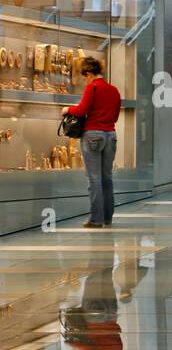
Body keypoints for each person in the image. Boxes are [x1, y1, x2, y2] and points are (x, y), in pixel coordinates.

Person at [64, 57, 121, 228]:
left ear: (88, 74)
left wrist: (67, 110)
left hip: (93, 135)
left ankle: (96, 219)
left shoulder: (92, 87)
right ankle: (108, 217)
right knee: (107, 178)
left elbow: (82, 110)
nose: (84, 80)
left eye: (84, 77)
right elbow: (116, 116)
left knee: (94, 179)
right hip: (111, 135)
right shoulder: (114, 90)